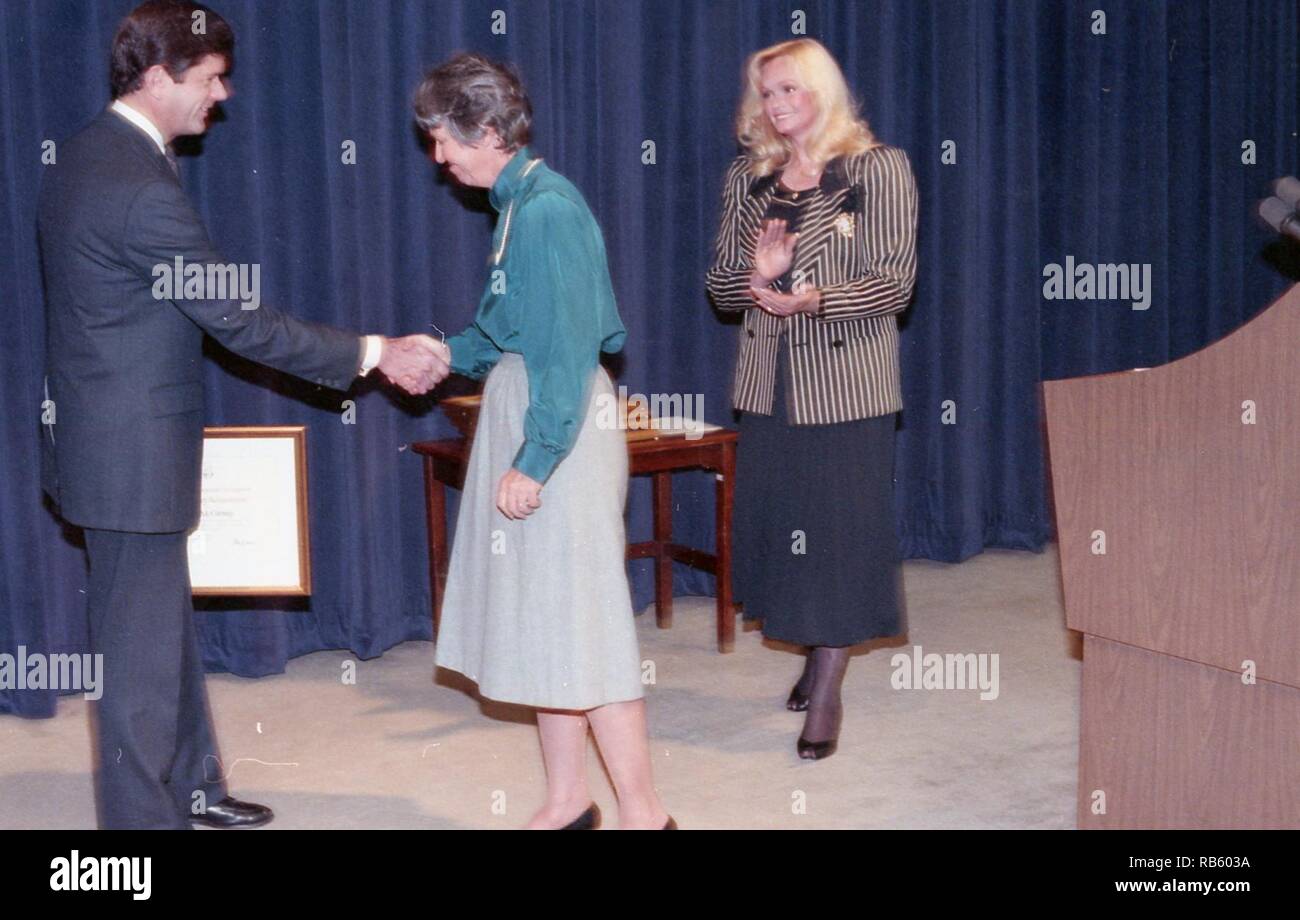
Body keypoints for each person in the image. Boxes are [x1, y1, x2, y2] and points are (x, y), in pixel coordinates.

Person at [38, 0, 447, 829]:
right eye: (211, 79)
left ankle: (194, 789)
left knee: (158, 638)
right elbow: (240, 321)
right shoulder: (134, 186)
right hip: (129, 458)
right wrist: (373, 352)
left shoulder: (92, 152)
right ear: (158, 78)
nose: (221, 97)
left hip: (109, 444)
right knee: (137, 666)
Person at [414, 53, 674, 830]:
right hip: (526, 408)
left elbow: (565, 349)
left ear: (488, 131)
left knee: (583, 623)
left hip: (553, 428)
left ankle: (646, 814)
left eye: (444, 140)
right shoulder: (517, 208)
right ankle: (568, 802)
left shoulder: (549, 211)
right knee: (543, 622)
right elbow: (506, 331)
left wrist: (535, 460)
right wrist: (442, 353)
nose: (439, 157)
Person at [705, 38, 918, 760]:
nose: (777, 105)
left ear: (824, 93)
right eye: (767, 93)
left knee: (840, 538)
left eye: (791, 90)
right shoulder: (749, 179)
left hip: (847, 387)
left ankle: (827, 689)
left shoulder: (877, 168)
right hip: (769, 386)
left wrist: (816, 297)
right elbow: (722, 288)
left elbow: (895, 282)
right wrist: (757, 279)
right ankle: (810, 652)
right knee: (789, 530)